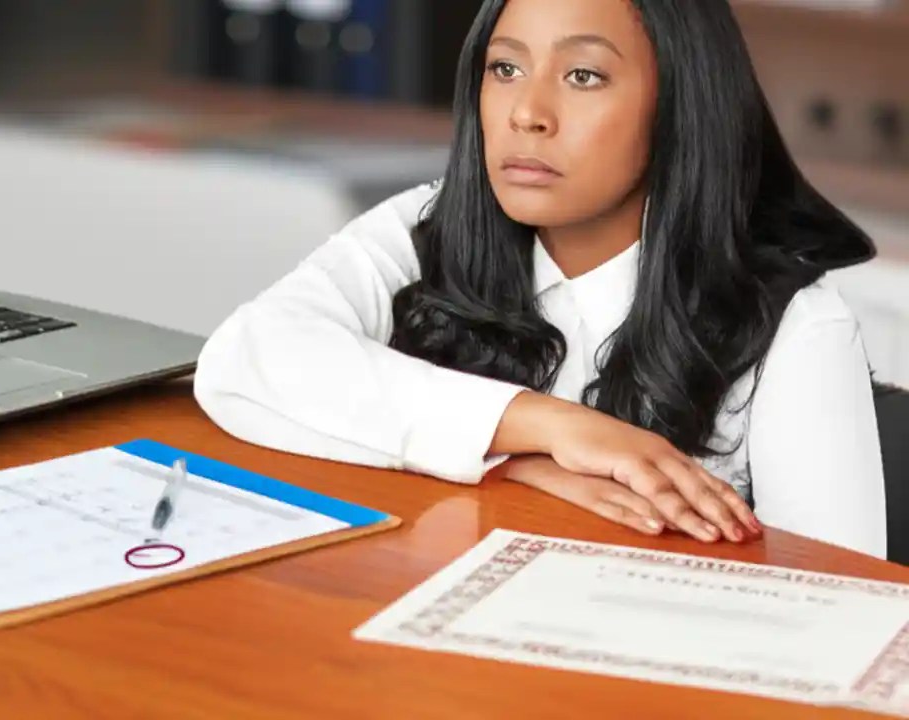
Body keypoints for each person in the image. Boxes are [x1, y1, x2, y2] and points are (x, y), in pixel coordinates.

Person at [193, 0, 888, 558]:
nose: (528, 114)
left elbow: (847, 613)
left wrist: (503, 448)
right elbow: (242, 360)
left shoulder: (797, 326)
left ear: (680, 106)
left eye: (583, 76)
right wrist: (540, 435)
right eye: (505, 69)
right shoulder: (430, 225)